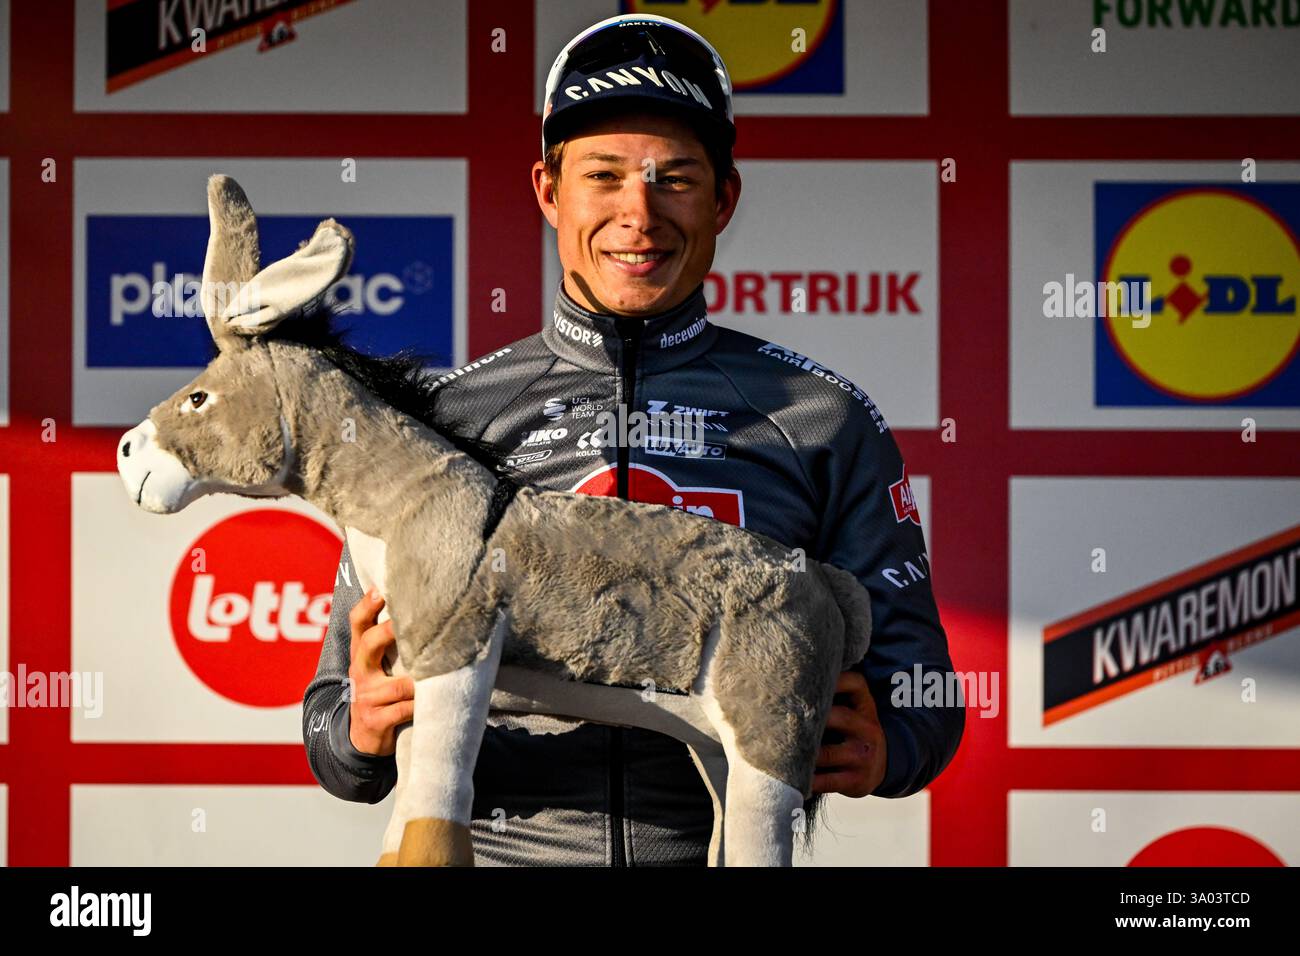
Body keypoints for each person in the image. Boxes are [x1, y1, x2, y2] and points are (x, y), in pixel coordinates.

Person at [302, 13, 963, 866]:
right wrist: (357, 727)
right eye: (603, 175)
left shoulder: (821, 417)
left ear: (723, 197)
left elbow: (928, 694)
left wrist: (889, 743)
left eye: (675, 179)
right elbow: (328, 728)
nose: (637, 214)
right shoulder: (444, 422)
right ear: (548, 190)